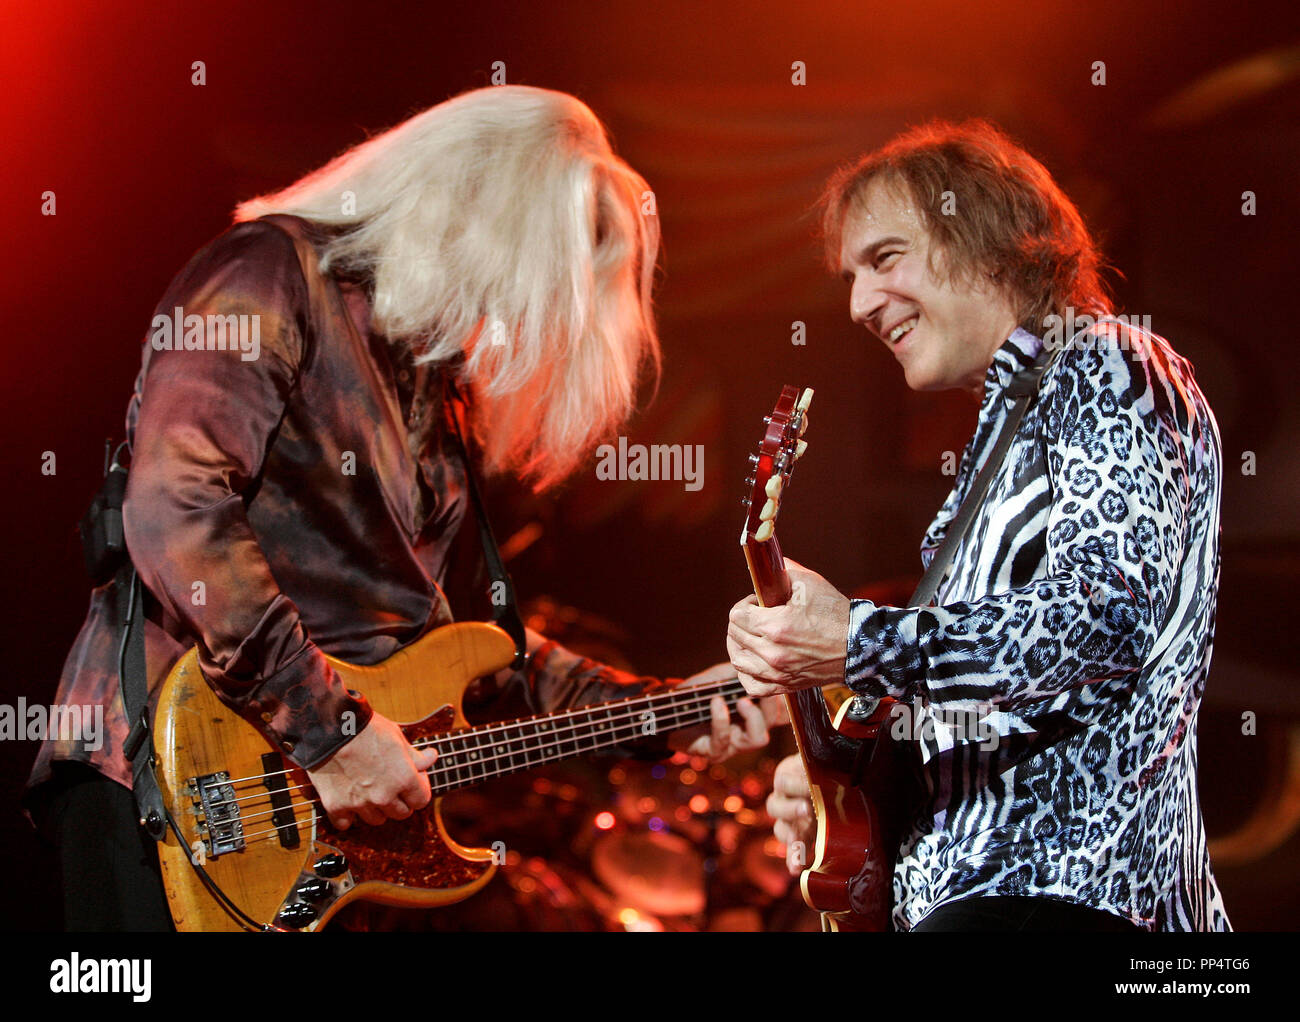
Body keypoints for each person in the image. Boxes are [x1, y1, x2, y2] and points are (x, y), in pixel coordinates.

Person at [26, 85, 773, 930]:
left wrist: (668, 711)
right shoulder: (272, 272)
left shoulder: (435, 383)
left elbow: (469, 656)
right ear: (476, 207)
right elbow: (176, 504)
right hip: (180, 770)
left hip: (331, 819)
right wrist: (330, 732)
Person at [726, 119, 1230, 931]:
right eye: (851, 275)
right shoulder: (1005, 440)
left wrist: (859, 641)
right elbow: (998, 707)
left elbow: (1105, 615)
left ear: (990, 237)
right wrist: (848, 790)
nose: (857, 304)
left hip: (1076, 898)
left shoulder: (1102, 360)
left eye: (885, 258)